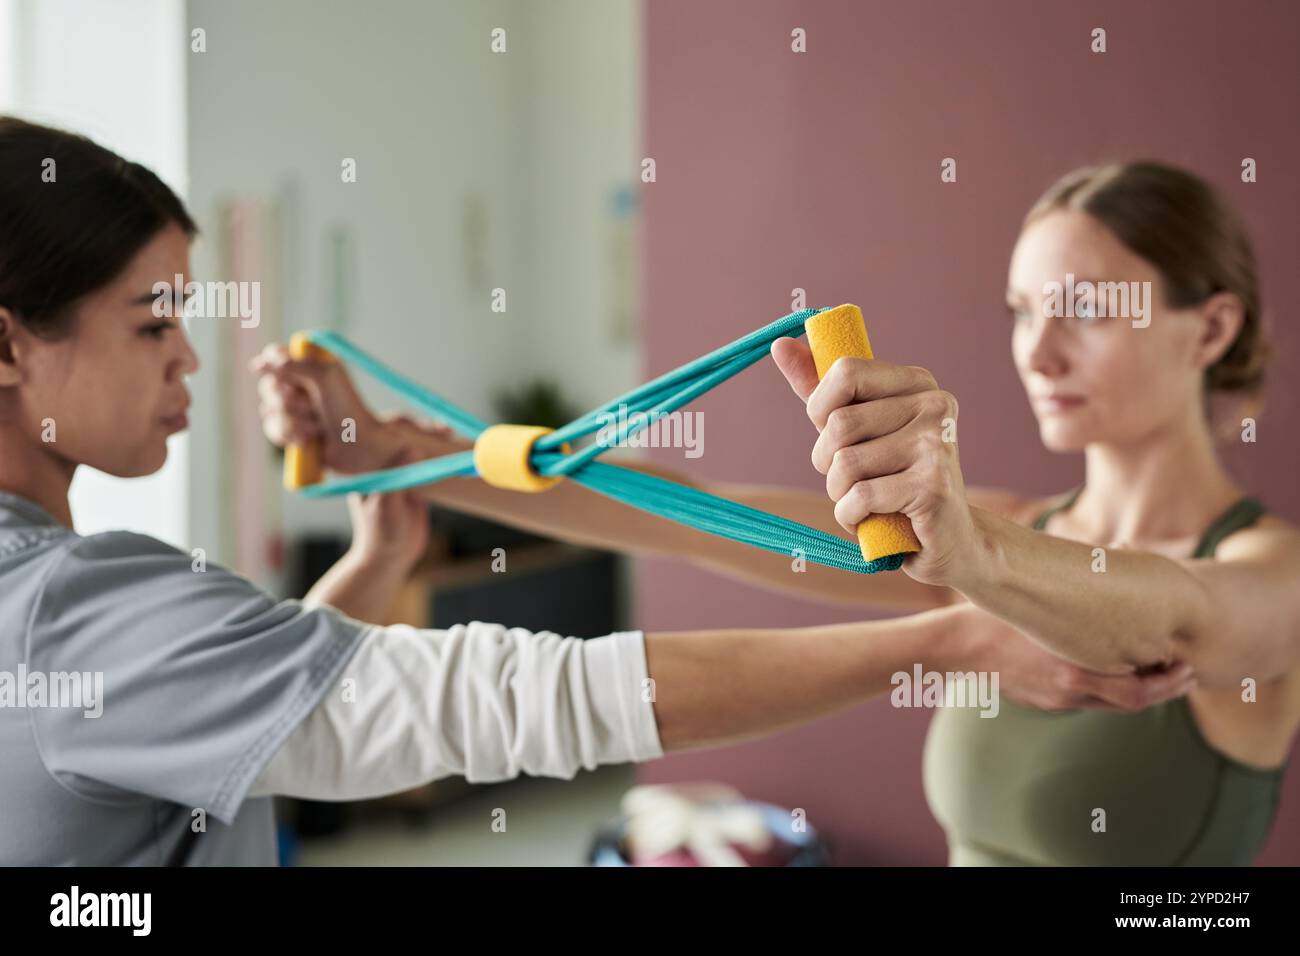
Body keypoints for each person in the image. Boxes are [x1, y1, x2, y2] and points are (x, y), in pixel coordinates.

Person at [1, 117, 1185, 867]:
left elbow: (224, 717)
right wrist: (956, 635)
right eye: (153, 321)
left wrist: (377, 542)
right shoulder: (66, 605)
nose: (188, 359)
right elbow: (494, 696)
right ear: (12, 349)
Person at [258, 162, 1299, 865]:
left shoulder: (1265, 569)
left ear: (1208, 326)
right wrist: (398, 455)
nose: (1036, 351)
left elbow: (1171, 619)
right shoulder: (1012, 528)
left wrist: (967, 551)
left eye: (1083, 310)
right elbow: (686, 510)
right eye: (1023, 312)